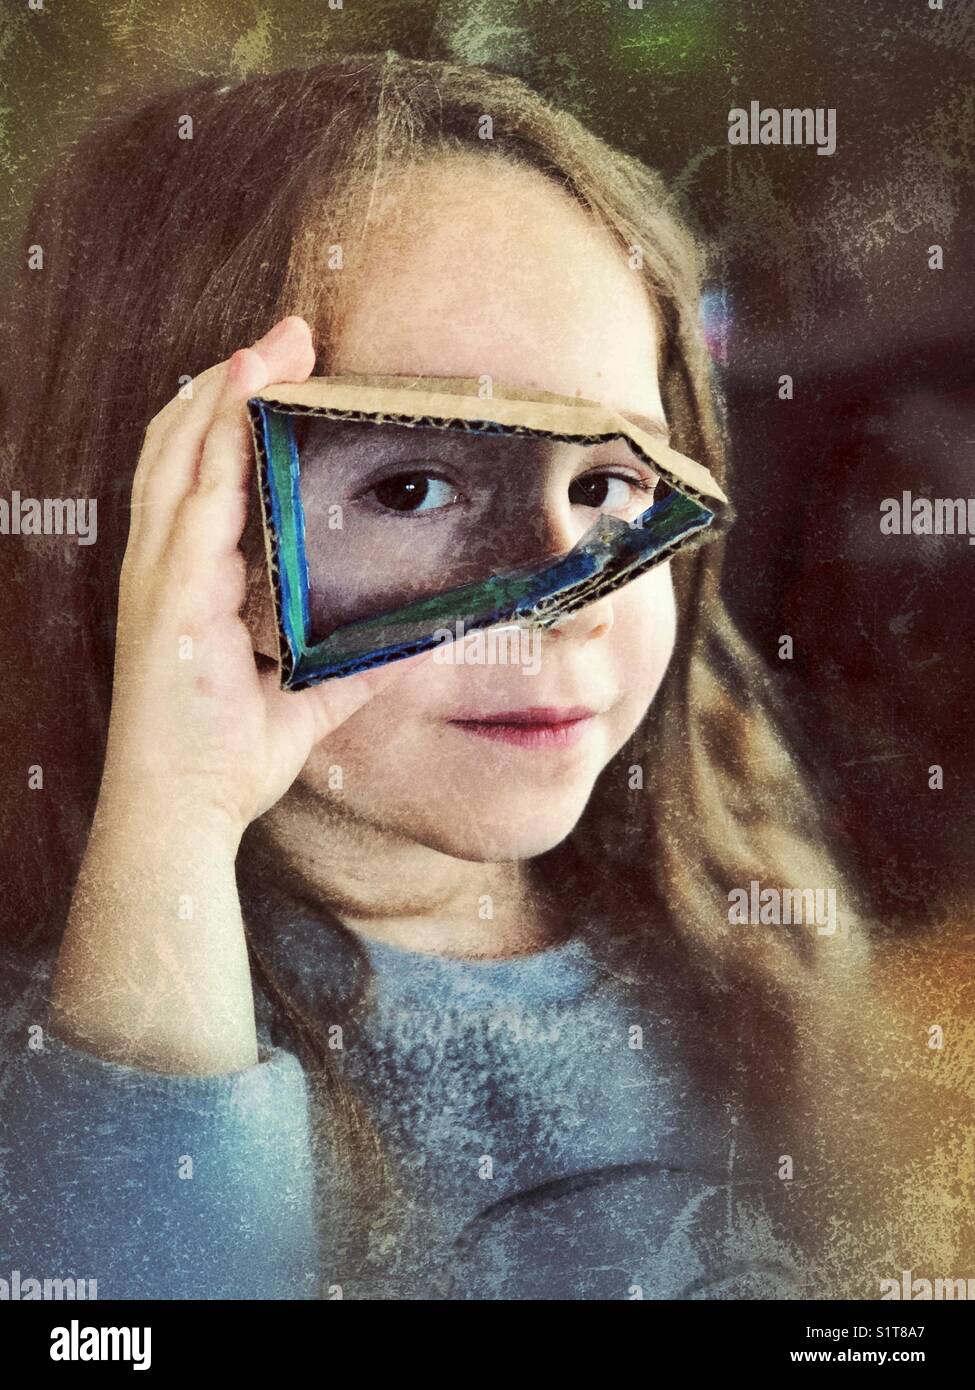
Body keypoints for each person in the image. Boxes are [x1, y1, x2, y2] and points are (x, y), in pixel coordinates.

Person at [0, 53, 863, 1300]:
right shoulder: (98, 1029)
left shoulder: (729, 912)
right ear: (166, 528)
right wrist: (175, 815)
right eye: (411, 486)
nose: (565, 601)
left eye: (609, 485)